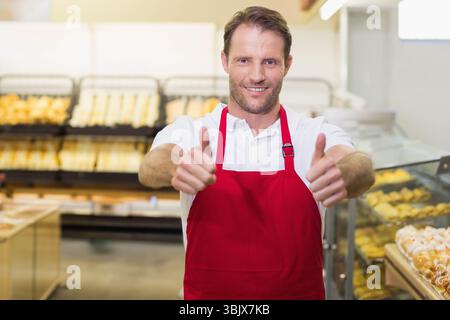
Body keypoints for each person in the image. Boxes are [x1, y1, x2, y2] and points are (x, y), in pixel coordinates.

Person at [139, 6, 374, 300]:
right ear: (225, 61)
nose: (257, 75)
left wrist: (345, 173)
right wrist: (175, 168)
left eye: (270, 62)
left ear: (288, 64)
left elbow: (360, 165)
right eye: (243, 60)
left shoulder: (310, 134)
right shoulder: (196, 132)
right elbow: (151, 165)